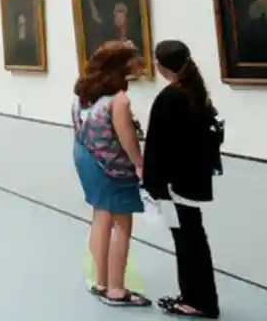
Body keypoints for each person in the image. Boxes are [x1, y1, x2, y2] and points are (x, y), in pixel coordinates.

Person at [146, 40, 223, 318]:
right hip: (194, 181)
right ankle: (199, 297)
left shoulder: (170, 98)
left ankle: (196, 300)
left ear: (161, 65)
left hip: (174, 185)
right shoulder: (197, 92)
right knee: (194, 238)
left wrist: (153, 186)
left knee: (187, 242)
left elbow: (156, 145)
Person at [72, 41, 149, 308]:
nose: (138, 65)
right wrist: (140, 164)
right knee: (121, 223)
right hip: (111, 164)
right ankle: (116, 288)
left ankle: (99, 279)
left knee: (100, 215)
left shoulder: (82, 94)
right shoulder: (119, 100)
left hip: (86, 157)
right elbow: (127, 138)